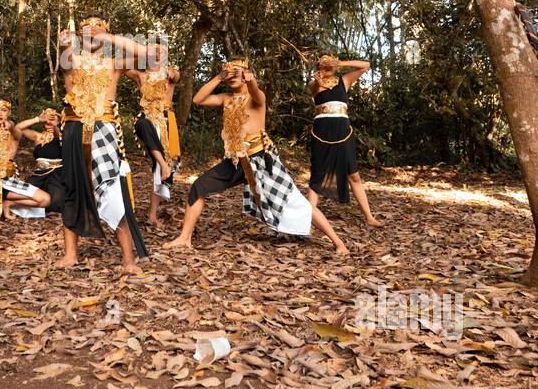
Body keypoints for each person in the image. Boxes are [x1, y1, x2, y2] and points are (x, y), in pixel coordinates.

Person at [167, 59, 349, 255]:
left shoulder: (255, 98)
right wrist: (218, 77)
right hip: (235, 161)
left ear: (246, 74)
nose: (232, 76)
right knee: (198, 187)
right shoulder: (226, 98)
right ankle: (184, 238)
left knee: (296, 200)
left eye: (236, 72)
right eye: (227, 73)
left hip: (261, 160)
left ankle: (339, 243)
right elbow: (198, 99)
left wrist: (250, 79)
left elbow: (256, 92)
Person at [58, 15, 150, 273]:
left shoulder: (114, 62)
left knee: (111, 189)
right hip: (75, 127)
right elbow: (66, 50)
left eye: (99, 28)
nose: (93, 31)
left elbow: (154, 57)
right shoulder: (72, 60)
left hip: (104, 129)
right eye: (87, 29)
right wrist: (66, 41)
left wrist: (110, 38)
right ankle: (70, 255)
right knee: (73, 186)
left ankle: (128, 260)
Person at [307, 55, 380, 226]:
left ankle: (369, 217)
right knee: (318, 172)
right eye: (322, 63)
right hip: (322, 132)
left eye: (329, 62)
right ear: (318, 66)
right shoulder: (314, 84)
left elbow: (365, 65)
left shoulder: (344, 81)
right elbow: (316, 86)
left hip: (343, 132)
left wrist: (341, 63)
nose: (326, 65)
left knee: (353, 174)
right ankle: (309, 217)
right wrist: (320, 79)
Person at [129, 57, 181, 226]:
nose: (157, 54)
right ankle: (163, 163)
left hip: (165, 121)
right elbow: (121, 66)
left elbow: (176, 77)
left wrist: (169, 72)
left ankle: (152, 215)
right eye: (152, 51)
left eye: (161, 51)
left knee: (162, 168)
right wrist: (139, 54)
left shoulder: (169, 74)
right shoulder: (140, 76)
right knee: (144, 125)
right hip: (146, 119)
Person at [3, 108, 65, 219]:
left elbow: (58, 135)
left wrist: (55, 128)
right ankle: (8, 203)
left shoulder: (62, 136)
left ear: (59, 121)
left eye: (53, 119)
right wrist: (38, 119)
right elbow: (18, 128)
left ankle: (12, 204)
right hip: (39, 174)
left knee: (55, 203)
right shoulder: (38, 136)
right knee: (25, 194)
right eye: (47, 120)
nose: (49, 122)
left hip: (57, 174)